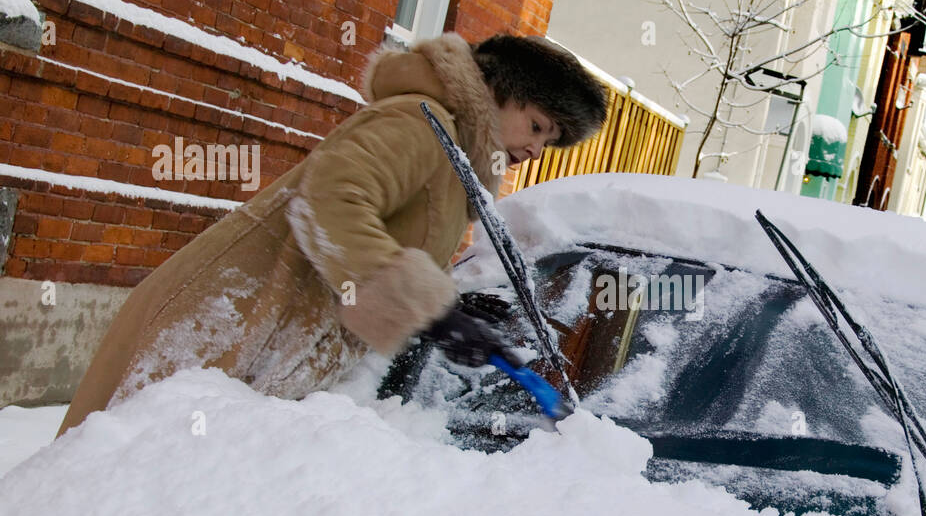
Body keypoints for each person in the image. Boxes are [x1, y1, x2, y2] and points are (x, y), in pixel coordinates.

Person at [56, 32, 608, 436]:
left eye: (550, 139)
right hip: (218, 329)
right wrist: (430, 311)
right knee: (103, 507)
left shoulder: (451, 166)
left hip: (253, 351)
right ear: (495, 89)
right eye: (537, 125)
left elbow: (377, 257)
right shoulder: (417, 124)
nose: (536, 149)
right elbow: (329, 202)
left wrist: (446, 313)